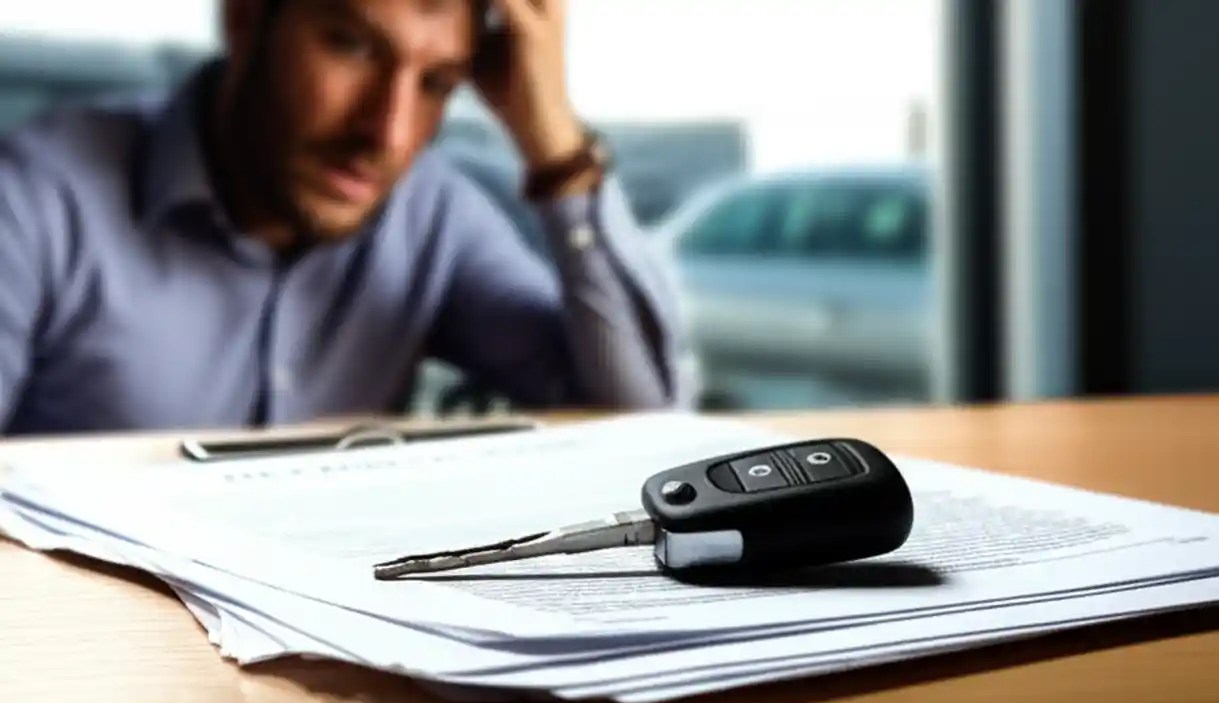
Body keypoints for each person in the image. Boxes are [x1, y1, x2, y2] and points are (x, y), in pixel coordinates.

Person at [0, 0, 697, 435]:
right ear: (246, 15)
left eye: (436, 85)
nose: (388, 132)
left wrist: (556, 149)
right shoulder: (36, 198)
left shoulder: (432, 218)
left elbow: (643, 421)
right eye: (353, 45)